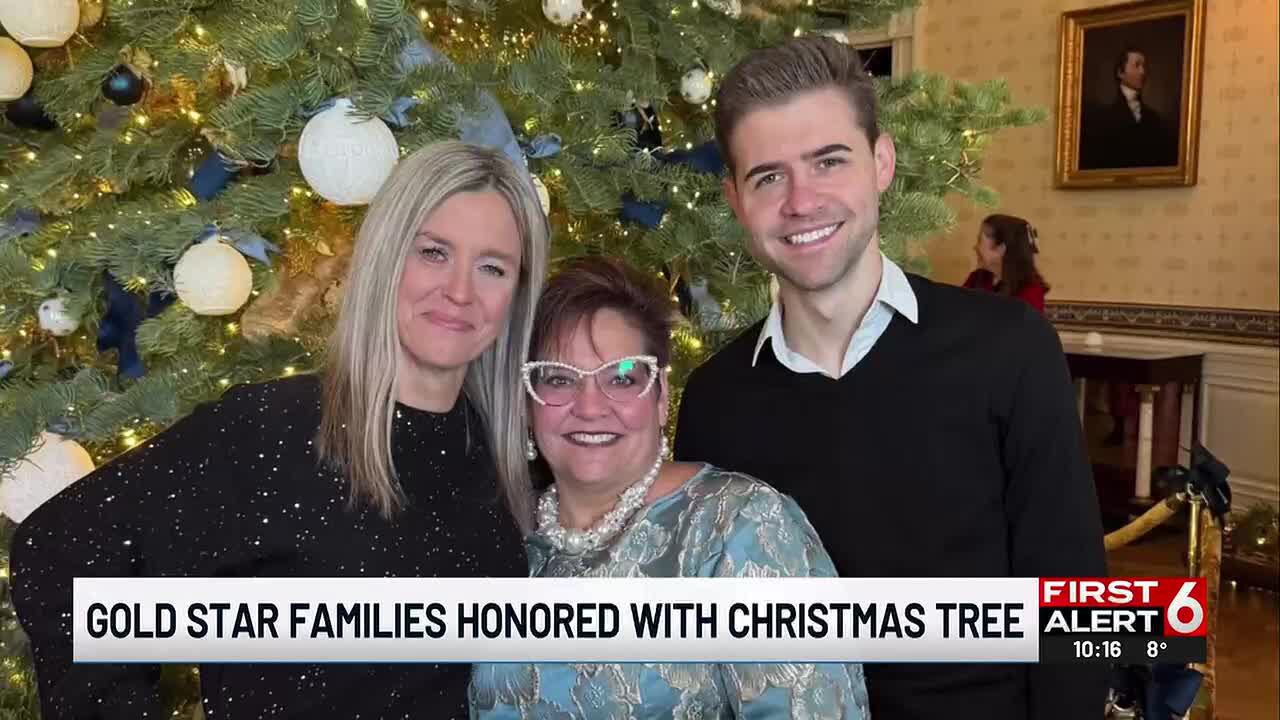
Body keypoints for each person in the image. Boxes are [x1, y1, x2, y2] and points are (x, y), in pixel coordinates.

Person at [10, 140, 549, 719]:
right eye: (434, 253)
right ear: (387, 257)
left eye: (492, 267)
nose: (461, 291)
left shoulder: (508, 460)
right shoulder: (269, 430)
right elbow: (59, 550)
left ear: (517, 293)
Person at [673, 36, 1107, 720]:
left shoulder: (1008, 350)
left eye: (828, 161)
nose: (801, 200)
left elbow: (1073, 602)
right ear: (735, 199)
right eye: (768, 177)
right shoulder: (713, 402)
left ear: (882, 162)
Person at [468, 256, 869, 719]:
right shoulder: (503, 539)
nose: (591, 406)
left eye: (622, 378)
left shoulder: (739, 526)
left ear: (660, 398)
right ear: (527, 404)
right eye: (559, 379)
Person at [1079, 46, 1177, 170]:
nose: (1143, 72)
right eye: (1137, 65)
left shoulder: (1154, 118)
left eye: (1143, 66)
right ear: (1120, 72)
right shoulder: (1102, 118)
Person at [963, 213, 1049, 313]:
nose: (975, 248)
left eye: (979, 241)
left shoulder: (1031, 292)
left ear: (1001, 249)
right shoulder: (976, 277)